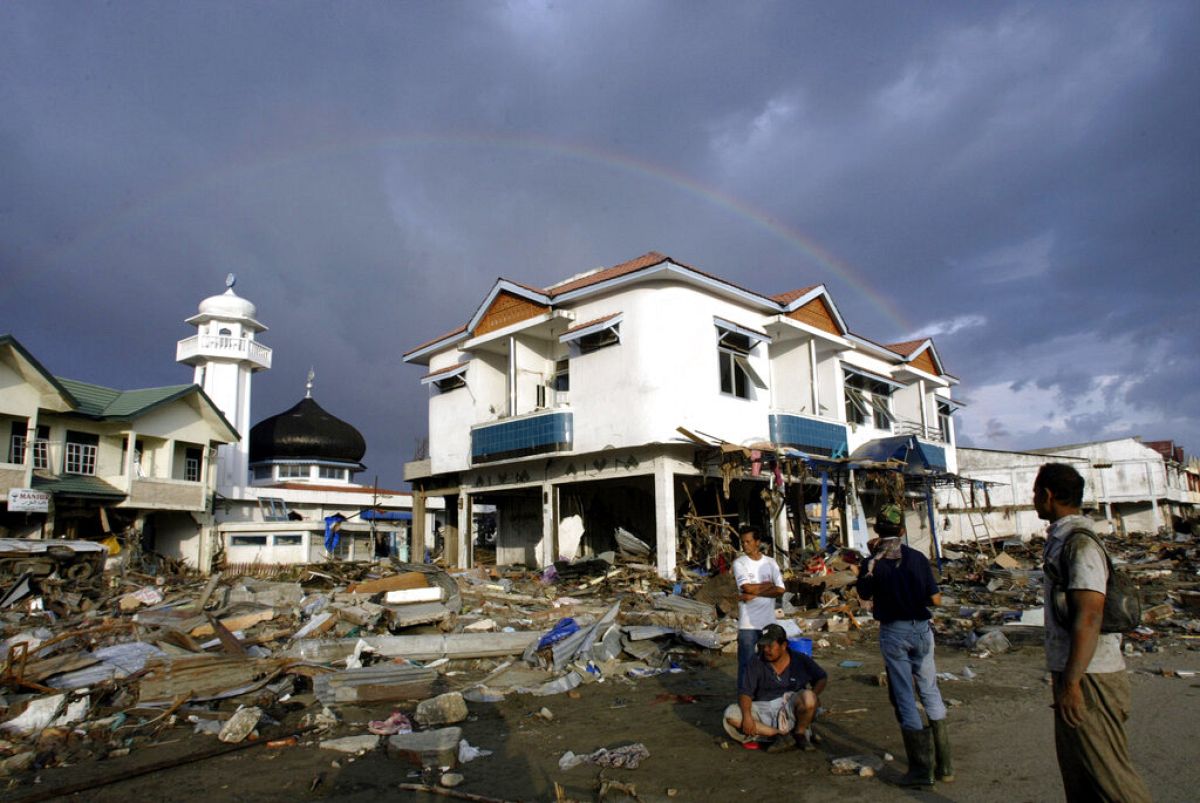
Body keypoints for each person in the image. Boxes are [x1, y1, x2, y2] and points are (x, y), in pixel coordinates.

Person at [1034, 463, 1151, 803]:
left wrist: (1071, 684)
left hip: (1091, 678)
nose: (1034, 499)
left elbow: (1089, 615)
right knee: (1081, 777)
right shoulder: (1061, 541)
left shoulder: (1080, 545)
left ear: (1048, 495)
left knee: (1113, 780)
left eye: (1035, 493)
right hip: (1075, 672)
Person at [855, 504, 951, 787]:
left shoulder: (872, 563)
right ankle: (945, 766)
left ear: (876, 531)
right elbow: (936, 601)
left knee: (905, 696)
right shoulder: (918, 559)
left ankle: (921, 770)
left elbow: (863, 593)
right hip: (921, 629)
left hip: (894, 632)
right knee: (930, 689)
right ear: (902, 530)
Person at [723, 623, 827, 752]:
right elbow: (745, 693)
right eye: (763, 645)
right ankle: (779, 735)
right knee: (731, 715)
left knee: (809, 698)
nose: (766, 650)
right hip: (763, 709)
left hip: (791, 707)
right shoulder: (755, 662)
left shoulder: (800, 659)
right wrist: (747, 716)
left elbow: (821, 677)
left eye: (770, 646)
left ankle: (799, 733)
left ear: (784, 645)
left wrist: (814, 696)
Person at [732, 525, 785, 692]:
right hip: (748, 625)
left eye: (748, 542)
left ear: (757, 542)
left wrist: (755, 593)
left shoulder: (770, 562)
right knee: (746, 665)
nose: (745, 546)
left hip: (768, 624)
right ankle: (745, 699)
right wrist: (768, 586)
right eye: (743, 542)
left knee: (770, 663)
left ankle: (764, 696)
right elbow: (746, 587)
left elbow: (781, 589)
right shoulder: (739, 563)